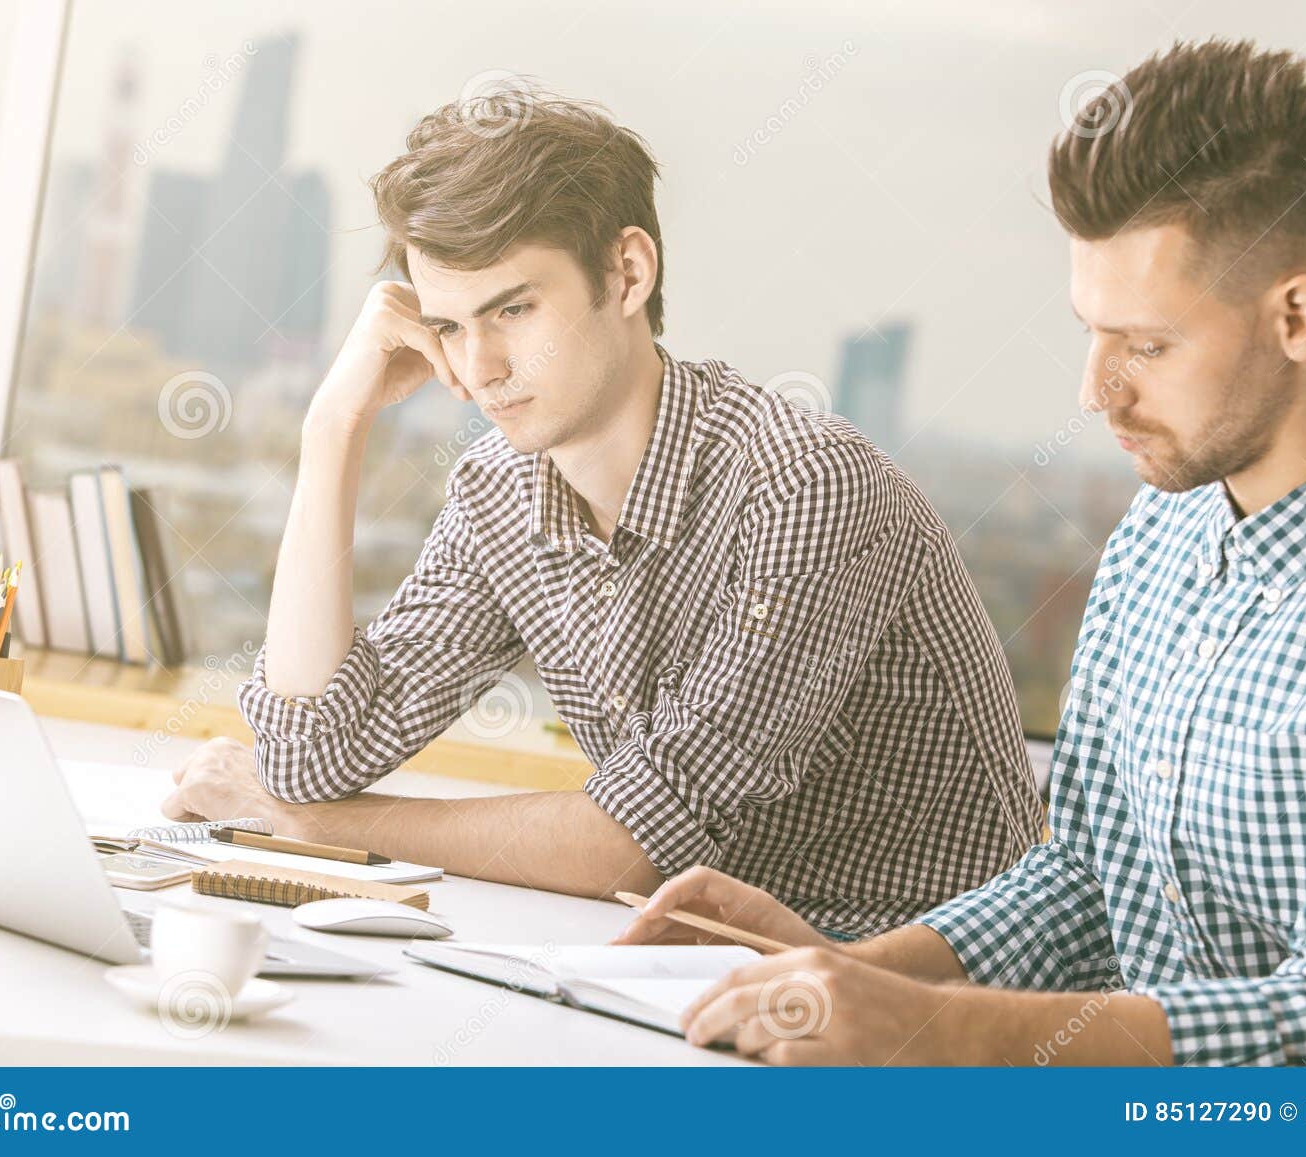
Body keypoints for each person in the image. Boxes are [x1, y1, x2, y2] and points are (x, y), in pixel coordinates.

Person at [619, 39, 1306, 1065]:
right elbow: (1092, 880)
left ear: (1297, 315)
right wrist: (853, 971)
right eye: (1090, 333)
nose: (1095, 390)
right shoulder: (1162, 530)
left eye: (1146, 345)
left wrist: (925, 1025)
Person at [162, 88, 1040, 935]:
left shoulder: (803, 485)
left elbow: (631, 842)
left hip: (921, 1001)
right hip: (703, 967)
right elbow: (309, 757)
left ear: (626, 273)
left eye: (512, 309)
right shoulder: (501, 490)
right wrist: (332, 427)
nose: (480, 369)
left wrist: (320, 828)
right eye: (450, 327)